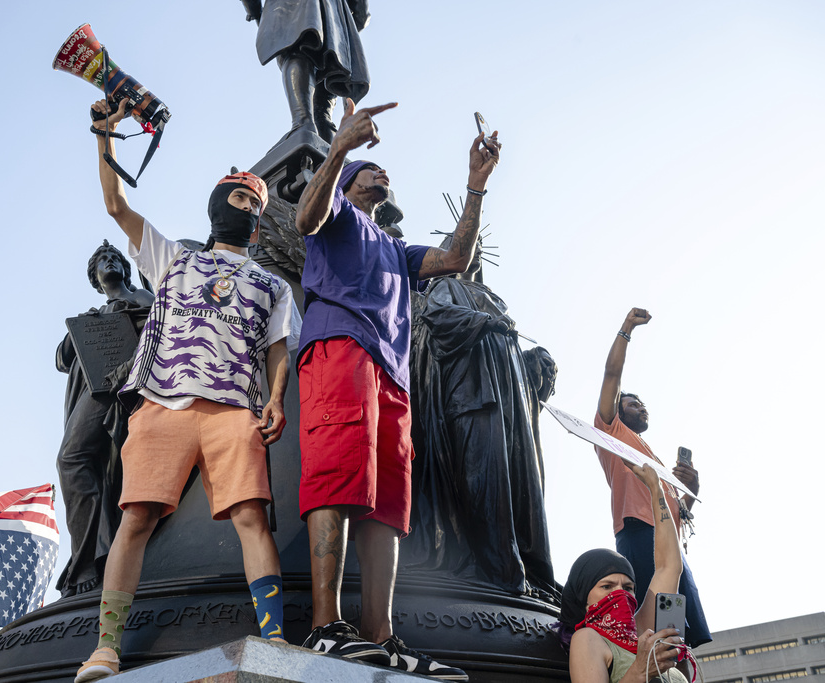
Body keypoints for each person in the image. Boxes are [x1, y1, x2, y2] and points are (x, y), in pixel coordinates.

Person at [75, 99, 301, 683]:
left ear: (259, 222)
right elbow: (116, 205)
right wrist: (105, 136)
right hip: (163, 404)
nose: (246, 207)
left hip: (234, 410)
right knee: (136, 519)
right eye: (238, 197)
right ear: (216, 205)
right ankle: (105, 649)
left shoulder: (272, 285)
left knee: (251, 517)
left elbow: (279, 347)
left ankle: (275, 639)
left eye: (254, 203)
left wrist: (276, 397)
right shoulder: (174, 258)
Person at [292, 96, 500, 680]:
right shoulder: (335, 212)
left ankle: (379, 636)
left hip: (391, 372)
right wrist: (340, 146)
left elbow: (456, 257)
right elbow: (304, 219)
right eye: (372, 170)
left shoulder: (395, 249)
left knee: (387, 504)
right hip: (340, 348)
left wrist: (476, 185)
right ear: (350, 181)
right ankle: (326, 627)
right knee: (336, 476)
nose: (383, 173)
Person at [405, 244, 557, 599]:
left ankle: (517, 567)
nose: (473, 252)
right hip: (468, 396)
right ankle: (491, 567)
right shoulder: (446, 286)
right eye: (464, 245)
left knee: (512, 485)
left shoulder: (492, 298)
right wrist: (486, 323)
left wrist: (532, 363)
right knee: (481, 481)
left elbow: (506, 354)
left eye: (476, 247)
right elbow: (438, 318)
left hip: (505, 407)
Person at [595, 307, 711, 648]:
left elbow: (677, 514)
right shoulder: (611, 431)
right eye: (633, 403)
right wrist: (627, 328)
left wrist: (690, 491)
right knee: (656, 627)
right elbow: (612, 374)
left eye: (643, 403)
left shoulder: (653, 458)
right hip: (641, 535)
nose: (642, 407)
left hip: (669, 544)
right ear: (617, 410)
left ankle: (675, 669)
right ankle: (651, 668)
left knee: (678, 632)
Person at [55, 241, 154, 598]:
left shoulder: (142, 297)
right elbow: (62, 359)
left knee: (75, 459)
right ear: (95, 279)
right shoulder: (93, 315)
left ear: (125, 270)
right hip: (97, 390)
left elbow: (161, 328)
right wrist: (81, 328)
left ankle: (90, 561)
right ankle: (92, 555)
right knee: (74, 459)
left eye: (115, 258)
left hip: (129, 385)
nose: (110, 261)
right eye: (103, 260)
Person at [557, 463, 689, 683]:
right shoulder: (587, 639)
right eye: (607, 586)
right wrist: (640, 671)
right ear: (583, 597)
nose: (620, 593)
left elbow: (669, 566)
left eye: (628, 588)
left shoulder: (642, 631)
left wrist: (656, 490)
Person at [243, 0, 371, 142]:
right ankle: (327, 143)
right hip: (334, 15)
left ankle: (302, 123)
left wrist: (257, 15)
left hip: (294, 6)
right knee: (323, 109)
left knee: (296, 50)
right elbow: (361, 12)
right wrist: (340, 27)